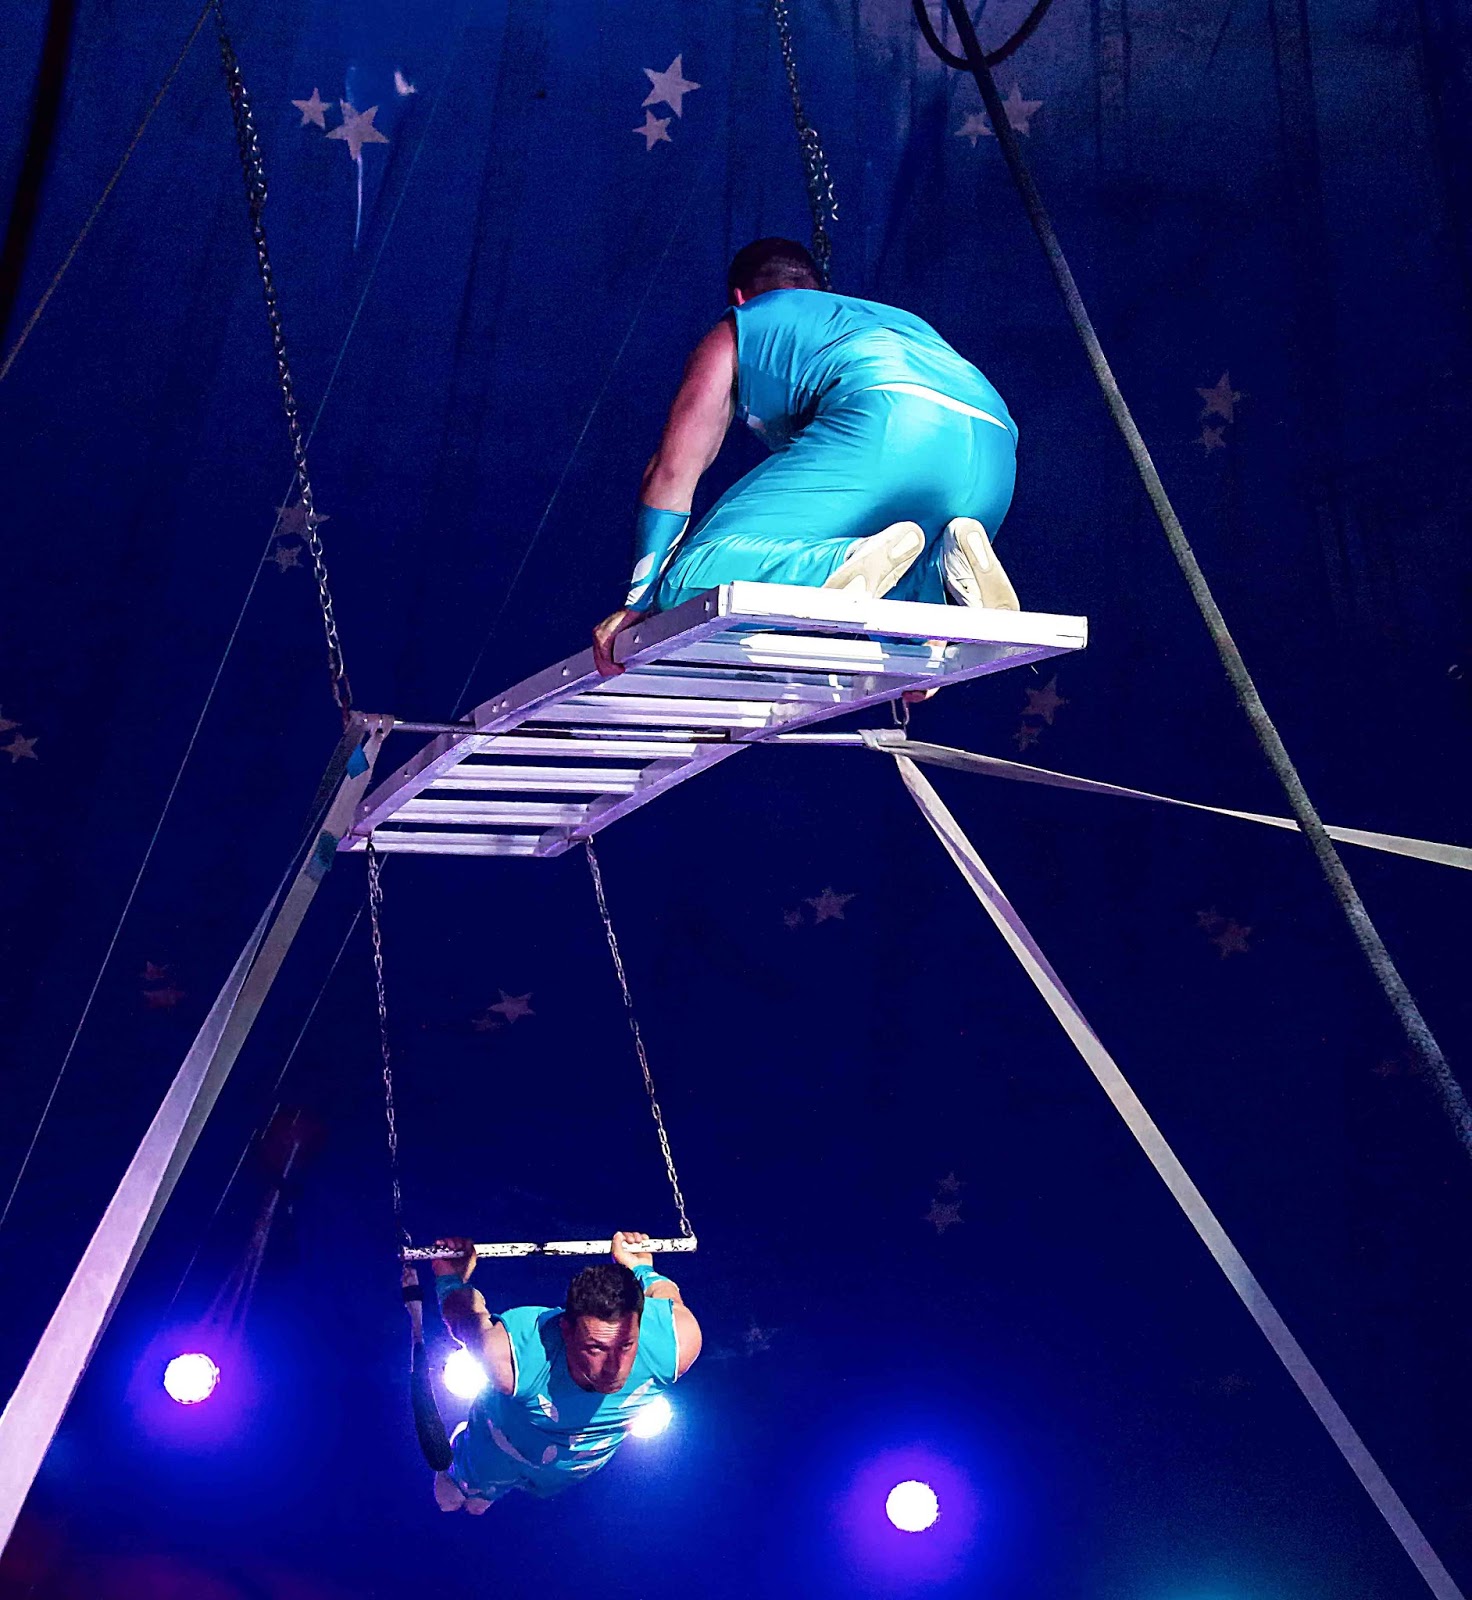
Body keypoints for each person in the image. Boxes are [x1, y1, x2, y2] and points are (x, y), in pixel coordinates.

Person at [593, 237, 1021, 677]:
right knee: (886, 557)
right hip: (996, 452)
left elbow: (673, 470)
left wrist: (637, 603)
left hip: (892, 420)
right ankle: (939, 572)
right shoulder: (894, 320)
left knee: (690, 578)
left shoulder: (747, 322)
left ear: (740, 296)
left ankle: (840, 563)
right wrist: (917, 658)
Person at [427, 1232, 701, 1512]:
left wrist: (642, 1268)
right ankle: (468, 1477)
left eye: (626, 1345)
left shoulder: (676, 1341)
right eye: (596, 1348)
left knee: (511, 1497)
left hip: (573, 1468)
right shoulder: (516, 1355)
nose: (614, 1366)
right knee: (454, 1501)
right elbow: (465, 1320)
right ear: (566, 1331)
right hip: (498, 1450)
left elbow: (668, 1301)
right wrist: (450, 1279)